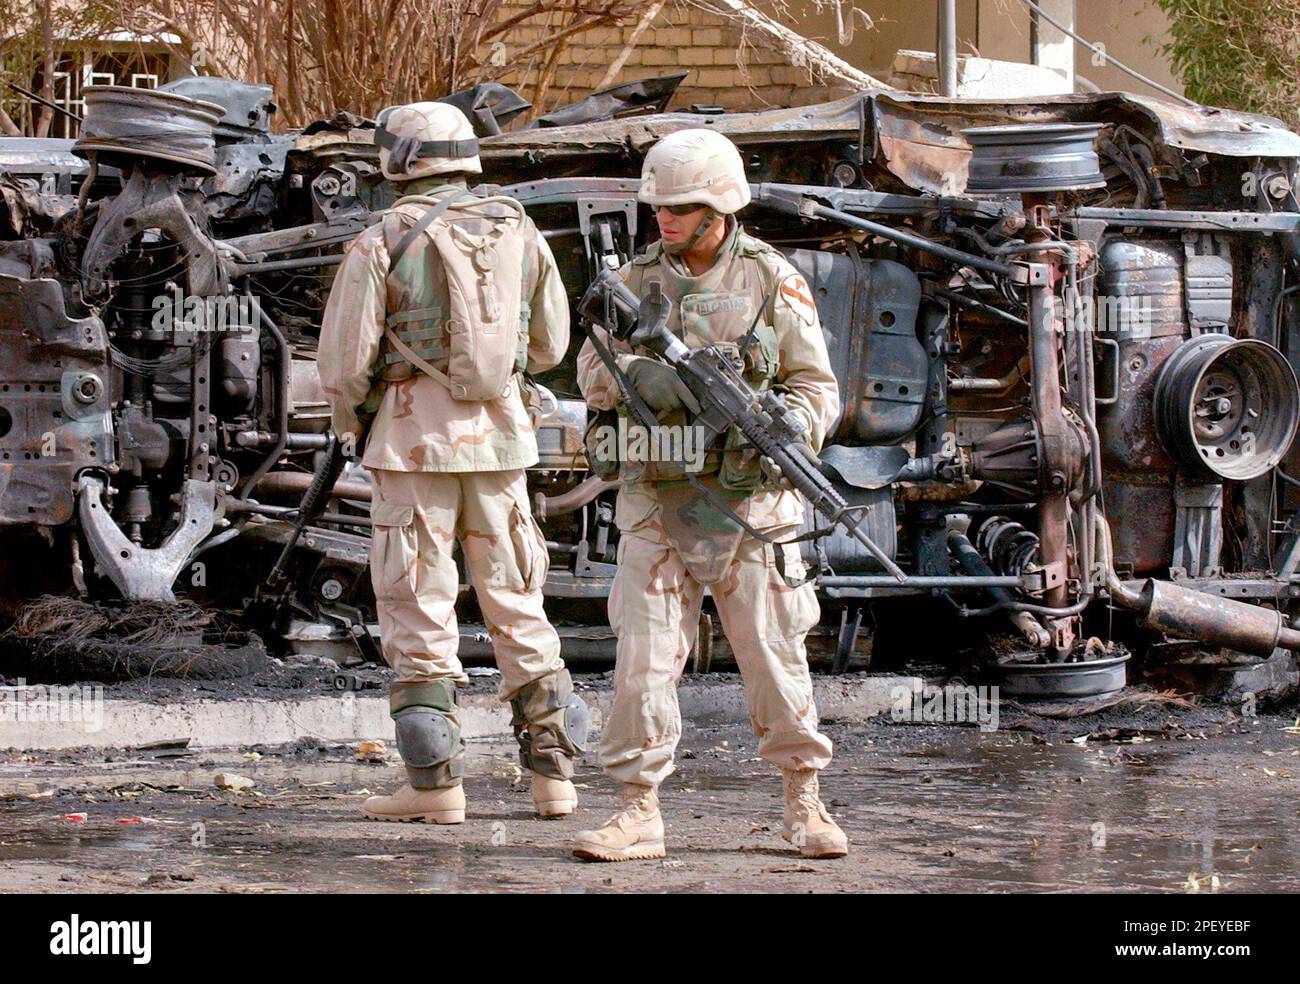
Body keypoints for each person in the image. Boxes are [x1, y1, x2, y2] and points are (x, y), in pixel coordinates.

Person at [572, 128, 849, 861]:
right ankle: (637, 812)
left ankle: (803, 802)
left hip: (750, 505)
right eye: (660, 204)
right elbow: (590, 378)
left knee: (774, 657)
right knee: (641, 666)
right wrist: (646, 377)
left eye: (684, 206)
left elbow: (818, 388)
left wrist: (794, 421)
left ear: (721, 207)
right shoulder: (633, 280)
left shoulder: (769, 279)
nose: (666, 217)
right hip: (658, 500)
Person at [319, 101, 587, 824]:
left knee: (419, 612)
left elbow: (345, 366)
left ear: (398, 160)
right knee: (518, 606)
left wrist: (356, 421)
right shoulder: (520, 230)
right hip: (502, 447)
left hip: (412, 447)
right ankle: (554, 782)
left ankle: (436, 790)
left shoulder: (380, 239)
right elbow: (551, 347)